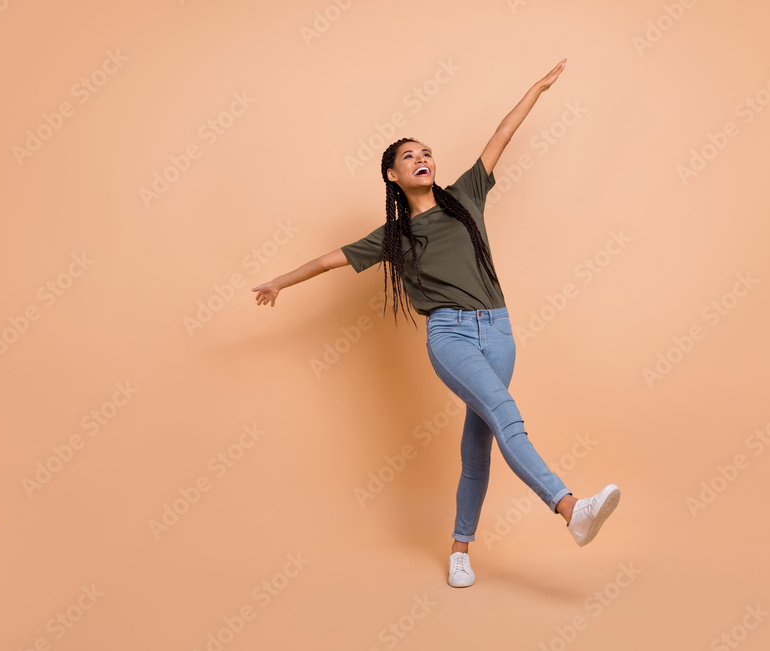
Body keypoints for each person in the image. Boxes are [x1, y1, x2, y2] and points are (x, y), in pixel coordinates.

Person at [251, 58, 619, 589]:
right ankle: (570, 509)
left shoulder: (466, 195)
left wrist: (535, 88)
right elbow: (329, 259)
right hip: (450, 336)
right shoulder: (392, 237)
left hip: (498, 331)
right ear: (392, 175)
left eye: (426, 153)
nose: (421, 159)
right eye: (409, 156)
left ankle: (459, 549)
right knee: (506, 415)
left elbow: (501, 134)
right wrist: (279, 283)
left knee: (479, 447)